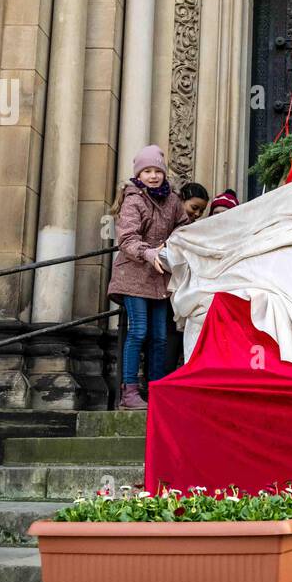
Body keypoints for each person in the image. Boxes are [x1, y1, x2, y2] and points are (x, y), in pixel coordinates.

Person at [107, 146, 188, 410]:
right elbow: (127, 239)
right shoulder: (133, 200)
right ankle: (129, 391)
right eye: (147, 171)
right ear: (138, 174)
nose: (153, 176)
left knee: (160, 336)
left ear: (164, 174)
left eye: (157, 171)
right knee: (139, 331)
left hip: (160, 277)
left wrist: (172, 243)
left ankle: (155, 390)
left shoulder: (173, 201)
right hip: (133, 275)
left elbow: (183, 225)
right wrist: (148, 251)